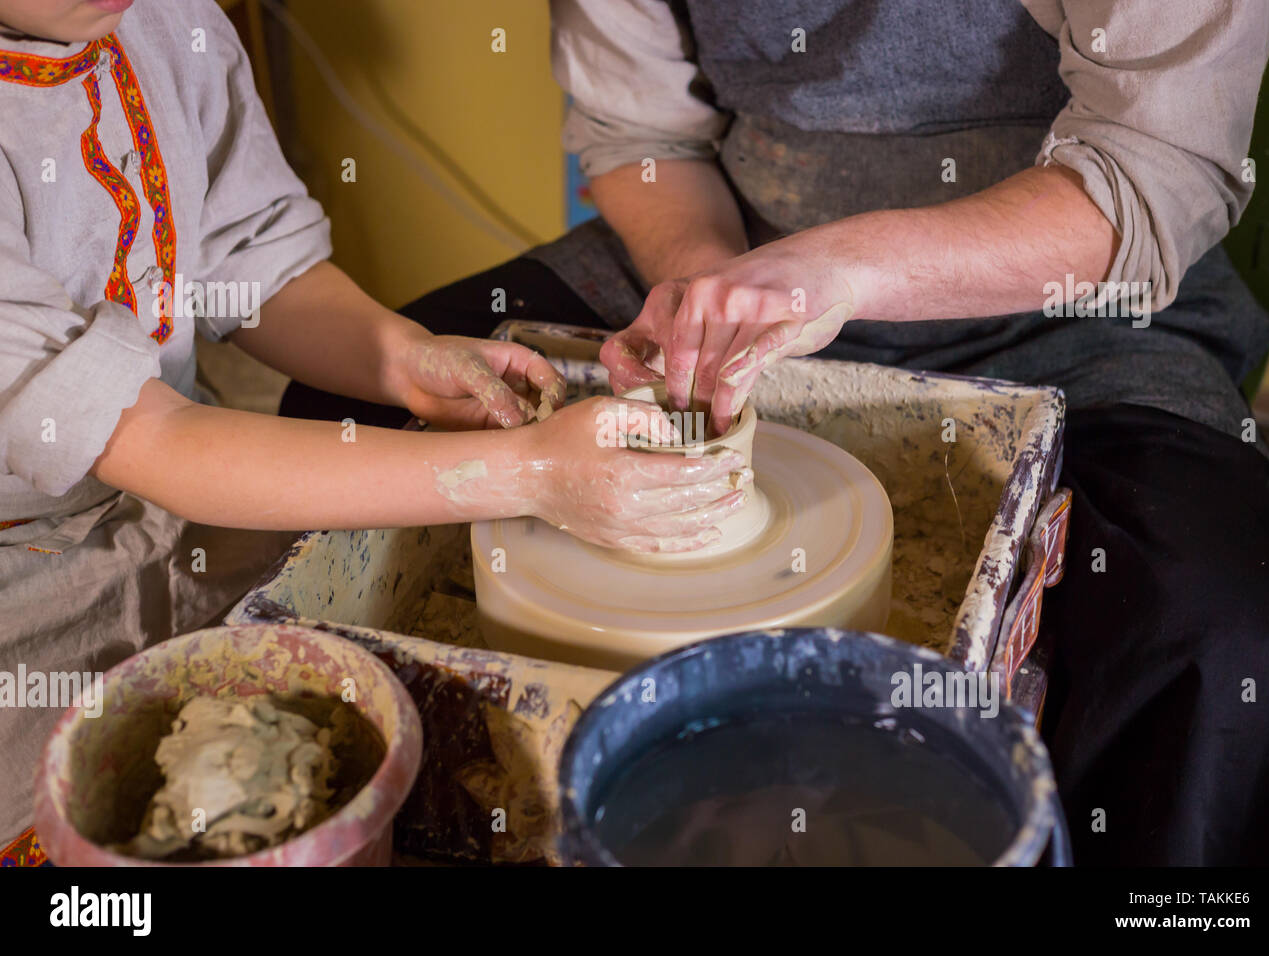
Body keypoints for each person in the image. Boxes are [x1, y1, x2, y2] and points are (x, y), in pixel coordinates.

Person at [285, 0, 1269, 865]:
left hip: (1073, 295)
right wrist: (702, 289)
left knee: (1219, 626)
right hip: (737, 242)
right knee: (352, 417)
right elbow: (645, 139)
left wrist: (842, 272)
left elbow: (1156, 166)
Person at [0, 0, 746, 853]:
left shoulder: (169, 20)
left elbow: (254, 268)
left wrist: (401, 357)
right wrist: (532, 471)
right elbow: (154, 439)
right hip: (29, 583)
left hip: (181, 517)